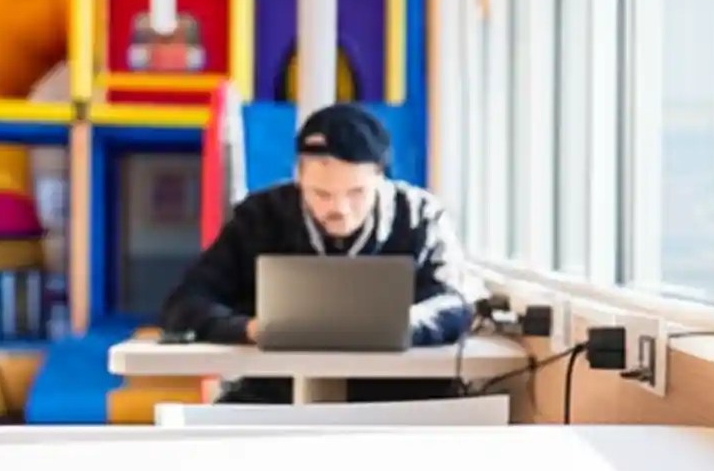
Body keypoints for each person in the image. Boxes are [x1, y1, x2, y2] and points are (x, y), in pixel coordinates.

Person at [160, 103, 480, 404]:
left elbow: (455, 302)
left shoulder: (419, 215)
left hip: (399, 394)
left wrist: (404, 325)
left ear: (381, 177)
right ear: (299, 178)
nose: (339, 209)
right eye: (321, 194)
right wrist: (248, 329)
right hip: (279, 395)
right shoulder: (260, 216)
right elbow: (185, 303)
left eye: (356, 193)